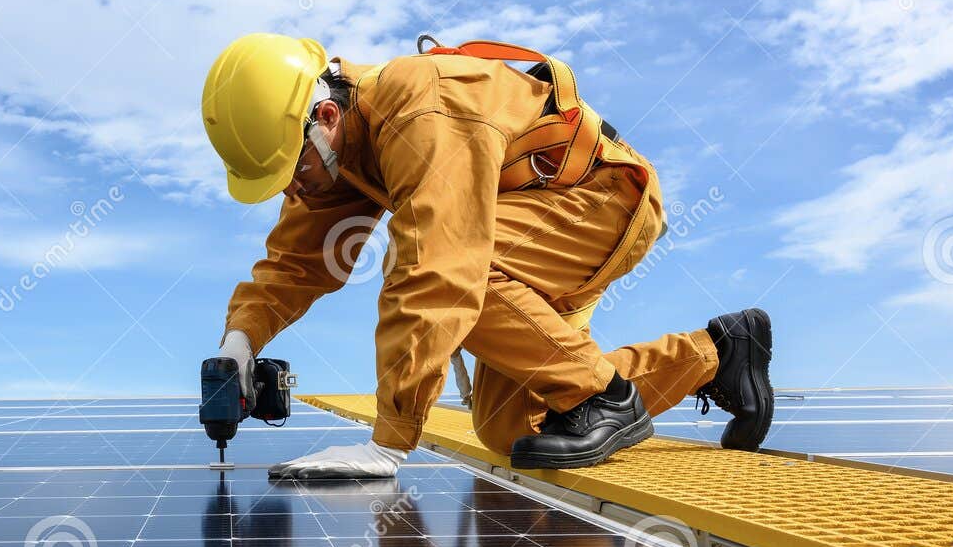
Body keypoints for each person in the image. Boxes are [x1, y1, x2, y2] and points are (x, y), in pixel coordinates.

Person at [200, 33, 773, 479]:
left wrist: (387, 446)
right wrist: (240, 344)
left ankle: (604, 395)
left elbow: (440, 269)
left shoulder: (420, 105)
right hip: (527, 228)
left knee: (444, 261)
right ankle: (718, 355)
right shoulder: (335, 154)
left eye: (289, 170)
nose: (289, 192)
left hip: (598, 203)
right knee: (512, 431)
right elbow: (295, 264)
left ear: (323, 120)